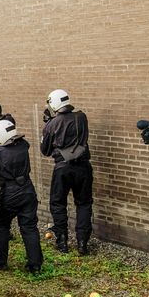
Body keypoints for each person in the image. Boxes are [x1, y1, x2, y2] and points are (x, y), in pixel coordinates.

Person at [40, 89, 94, 255]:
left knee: (58, 203)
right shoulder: (82, 117)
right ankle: (82, 243)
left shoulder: (52, 124)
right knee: (84, 203)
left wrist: (48, 124)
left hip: (63, 167)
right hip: (83, 166)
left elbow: (45, 150)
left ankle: (62, 241)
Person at [0, 119, 44, 272]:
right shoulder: (23, 145)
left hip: (8, 194)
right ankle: (35, 264)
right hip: (27, 189)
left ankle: (0, 262)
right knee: (29, 228)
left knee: (1, 226)